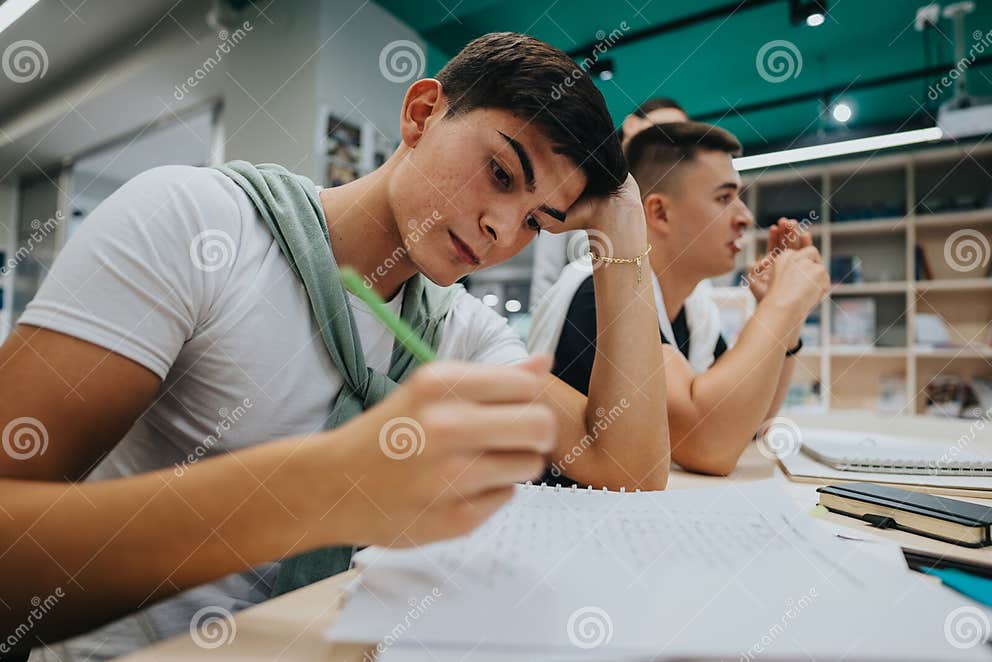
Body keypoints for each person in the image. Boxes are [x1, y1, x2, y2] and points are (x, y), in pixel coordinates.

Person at [0, 33, 669, 659]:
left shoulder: (454, 331)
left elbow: (628, 466)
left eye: (535, 221)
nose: (501, 229)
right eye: (499, 172)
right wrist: (329, 487)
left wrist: (624, 227)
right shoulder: (196, 224)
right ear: (422, 111)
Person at [529, 121, 829, 479]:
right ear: (659, 213)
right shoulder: (597, 289)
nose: (745, 217)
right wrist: (783, 304)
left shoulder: (696, 310)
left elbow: (745, 421)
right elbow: (707, 445)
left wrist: (785, 323)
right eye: (724, 197)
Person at [529, 97, 689, 306]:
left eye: (676, 138)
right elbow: (546, 272)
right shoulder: (580, 178)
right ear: (632, 124)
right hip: (576, 314)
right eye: (662, 129)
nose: (666, 142)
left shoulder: (663, 199)